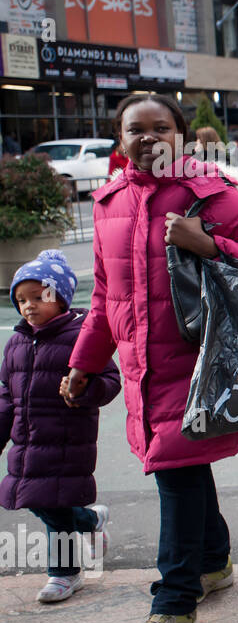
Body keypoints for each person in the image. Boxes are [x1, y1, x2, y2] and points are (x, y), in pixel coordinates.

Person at [66, 94, 238, 623]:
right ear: (120, 138)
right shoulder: (109, 201)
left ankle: (174, 602)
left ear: (181, 135)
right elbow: (105, 297)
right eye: (136, 129)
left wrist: (206, 242)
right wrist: (84, 364)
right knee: (181, 467)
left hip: (197, 363)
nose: (149, 137)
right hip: (141, 367)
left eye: (161, 127)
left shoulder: (212, 193)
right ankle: (214, 560)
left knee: (175, 470)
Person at [2, 250, 120, 603]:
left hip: (68, 440)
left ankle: (65, 574)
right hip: (27, 440)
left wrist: (85, 390)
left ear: (62, 297)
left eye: (40, 297)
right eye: (22, 300)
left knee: (52, 504)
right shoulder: (16, 342)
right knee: (32, 499)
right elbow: (6, 391)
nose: (29, 306)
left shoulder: (80, 335)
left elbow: (110, 381)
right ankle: (88, 520)